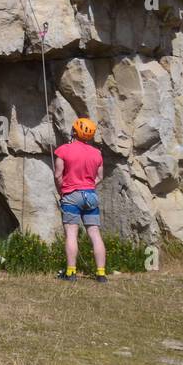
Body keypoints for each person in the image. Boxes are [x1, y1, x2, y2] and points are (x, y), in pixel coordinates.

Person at [53, 117, 107, 282]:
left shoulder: (63, 150)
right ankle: (101, 273)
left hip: (71, 194)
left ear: (74, 132)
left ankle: (70, 272)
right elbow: (100, 177)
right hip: (90, 195)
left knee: (71, 233)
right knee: (95, 233)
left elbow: (58, 175)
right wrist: (88, 185)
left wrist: (63, 191)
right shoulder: (97, 153)